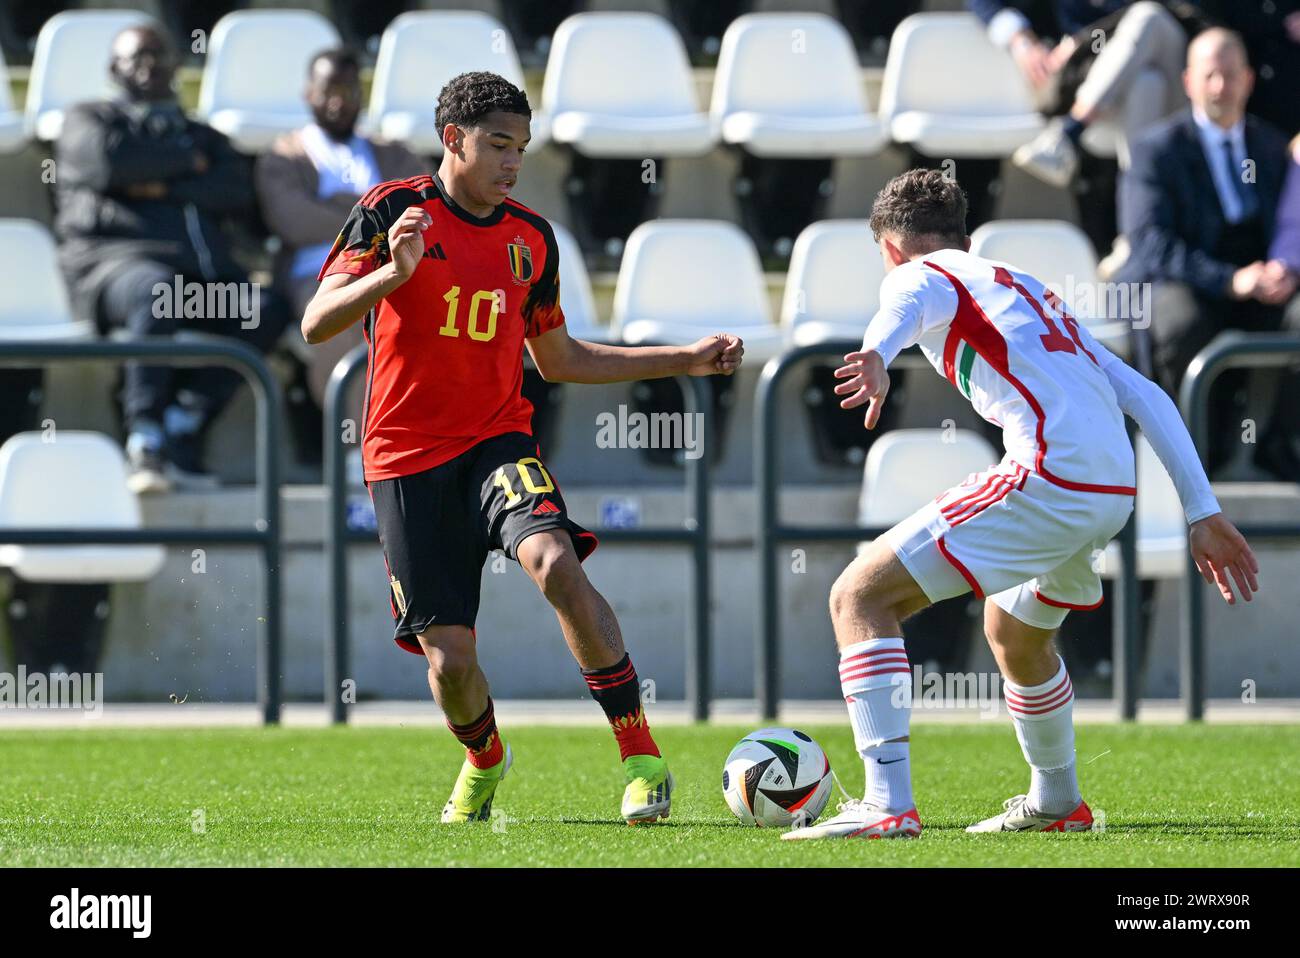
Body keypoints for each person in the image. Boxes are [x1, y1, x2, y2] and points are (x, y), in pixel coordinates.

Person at [302, 72, 744, 824]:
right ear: (454, 140)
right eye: (499, 145)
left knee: (555, 563)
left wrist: (684, 359)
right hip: (405, 457)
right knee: (450, 660)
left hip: (496, 441)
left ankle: (641, 758)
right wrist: (392, 272)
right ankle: (484, 760)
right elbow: (316, 323)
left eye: (522, 148)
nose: (513, 162)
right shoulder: (390, 211)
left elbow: (560, 359)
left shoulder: (530, 239)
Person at [783, 169, 1257, 841]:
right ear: (966, 238)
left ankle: (887, 803)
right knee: (1015, 634)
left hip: (1049, 475)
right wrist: (1201, 511)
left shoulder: (915, 272)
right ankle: (1058, 799)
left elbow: (904, 302)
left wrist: (875, 354)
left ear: (888, 248)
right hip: (1110, 488)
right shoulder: (1026, 287)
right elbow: (1145, 393)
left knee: (857, 598)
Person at [54, 25, 290, 493]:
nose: (149, 65)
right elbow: (109, 162)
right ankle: (145, 435)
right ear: (112, 69)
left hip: (197, 289)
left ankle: (184, 419)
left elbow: (234, 187)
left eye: (160, 55)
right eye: (136, 56)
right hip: (113, 275)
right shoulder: (88, 118)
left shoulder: (200, 133)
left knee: (266, 309)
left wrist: (158, 182)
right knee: (157, 291)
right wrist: (187, 164)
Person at [1120, 27, 1300, 479]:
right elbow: (1149, 242)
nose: (1220, 87)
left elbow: (1288, 227)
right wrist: (1229, 280)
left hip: (1255, 286)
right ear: (1188, 81)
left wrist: (1286, 272)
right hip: (1179, 281)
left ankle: (1276, 443)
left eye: (1230, 75)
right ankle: (1194, 452)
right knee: (1182, 320)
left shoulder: (1272, 147)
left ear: (1249, 80)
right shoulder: (1154, 150)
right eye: (1210, 75)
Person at [255, 48, 423, 411]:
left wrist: (338, 207)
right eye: (327, 91)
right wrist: (373, 211)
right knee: (340, 321)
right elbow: (294, 221)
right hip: (316, 274)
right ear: (307, 94)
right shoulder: (284, 156)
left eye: (347, 91)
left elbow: (427, 207)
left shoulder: (391, 152)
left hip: (396, 268)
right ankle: (354, 450)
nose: (337, 102)